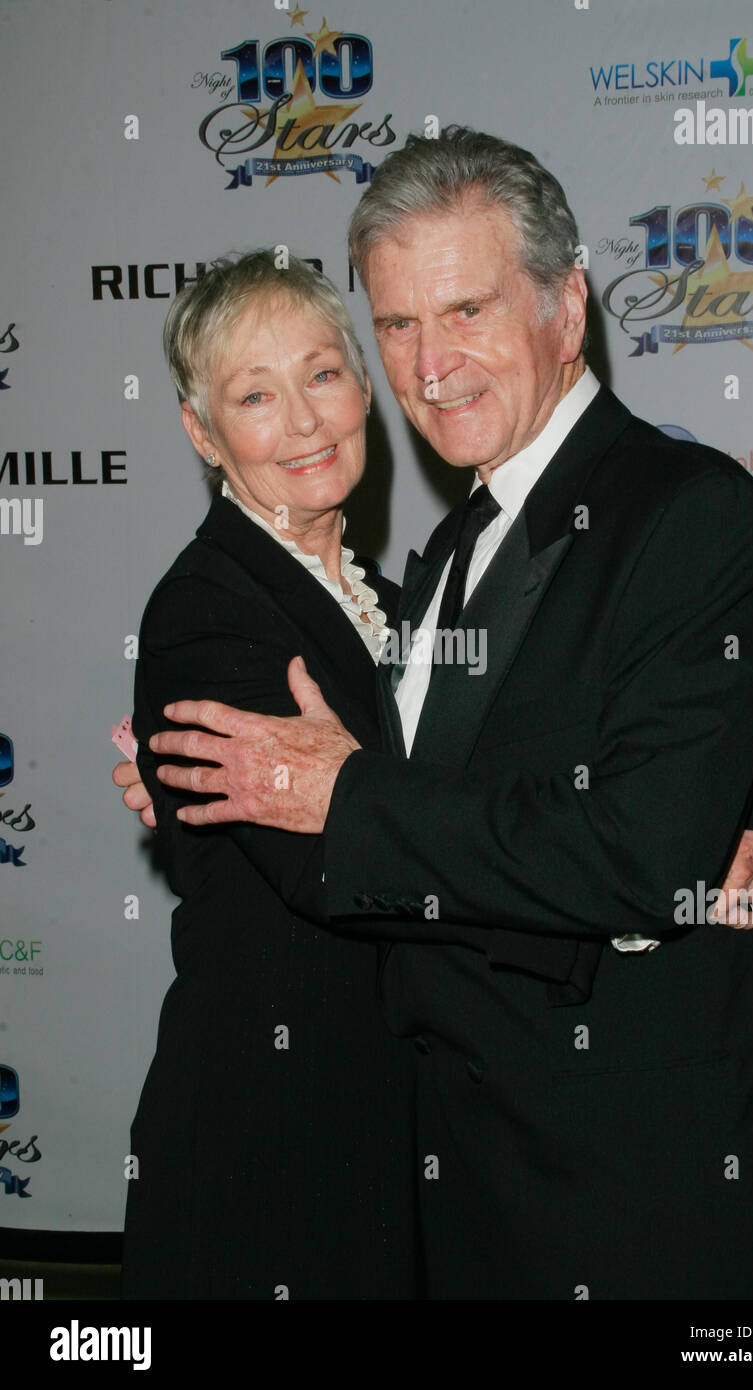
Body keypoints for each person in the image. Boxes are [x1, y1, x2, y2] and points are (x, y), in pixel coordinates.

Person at [117, 130, 753, 1300]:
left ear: (566, 305)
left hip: (637, 1198)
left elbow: (639, 846)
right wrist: (213, 796)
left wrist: (332, 796)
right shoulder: (443, 550)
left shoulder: (688, 513)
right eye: (395, 325)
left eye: (464, 311)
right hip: (455, 1187)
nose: (428, 364)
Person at [120, 250, 418, 1300]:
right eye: (254, 395)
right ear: (203, 434)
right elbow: (328, 866)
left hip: (389, 1105)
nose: (303, 421)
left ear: (364, 385)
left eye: (322, 374)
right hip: (273, 1126)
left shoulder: (392, 593)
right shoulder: (207, 610)